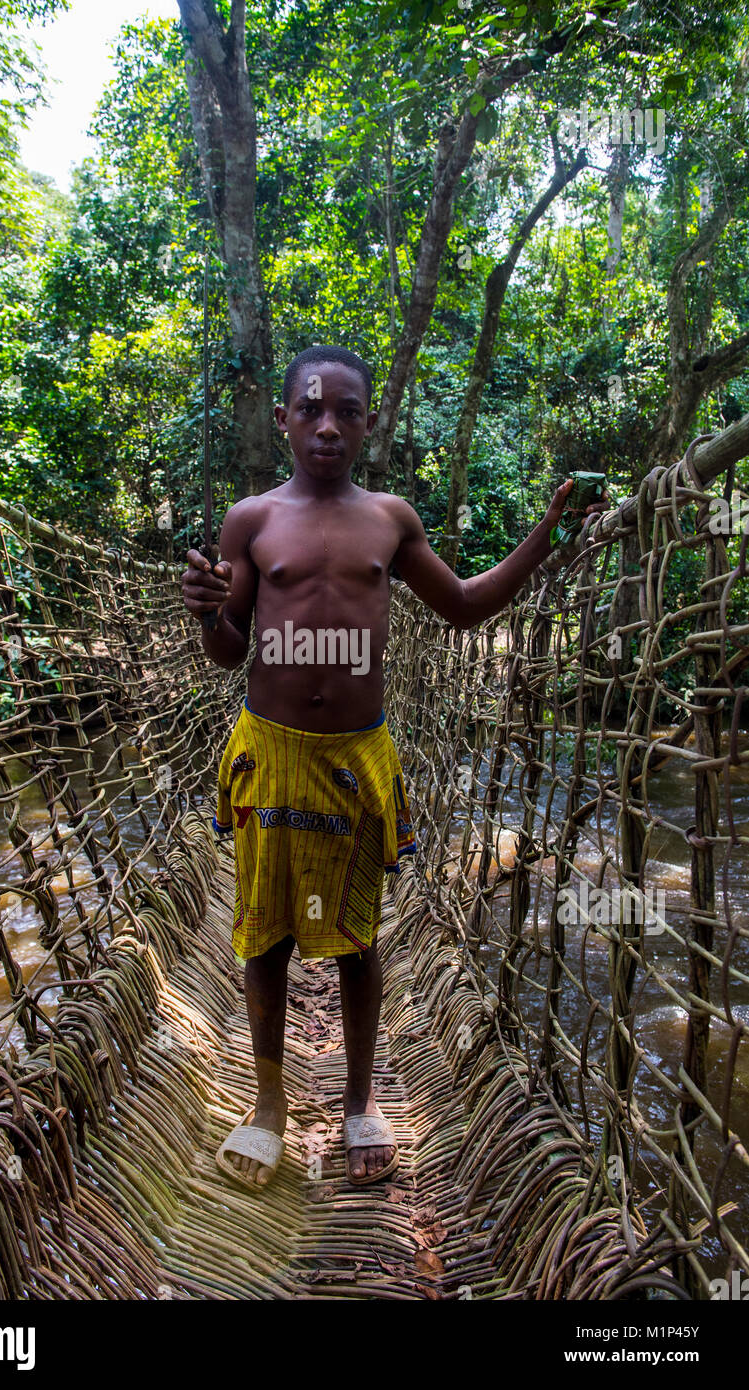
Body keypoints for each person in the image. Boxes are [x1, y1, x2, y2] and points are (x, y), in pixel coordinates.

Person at [182, 345, 606, 1190]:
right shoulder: (250, 522)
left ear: (370, 422)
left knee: (357, 936)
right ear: (284, 420)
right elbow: (230, 653)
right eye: (310, 410)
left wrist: (546, 537)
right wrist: (204, 614)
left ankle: (358, 1100)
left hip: (355, 758)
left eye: (346, 411)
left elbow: (466, 605)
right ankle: (267, 1104)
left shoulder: (390, 519)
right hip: (268, 752)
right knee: (263, 935)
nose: (328, 426)